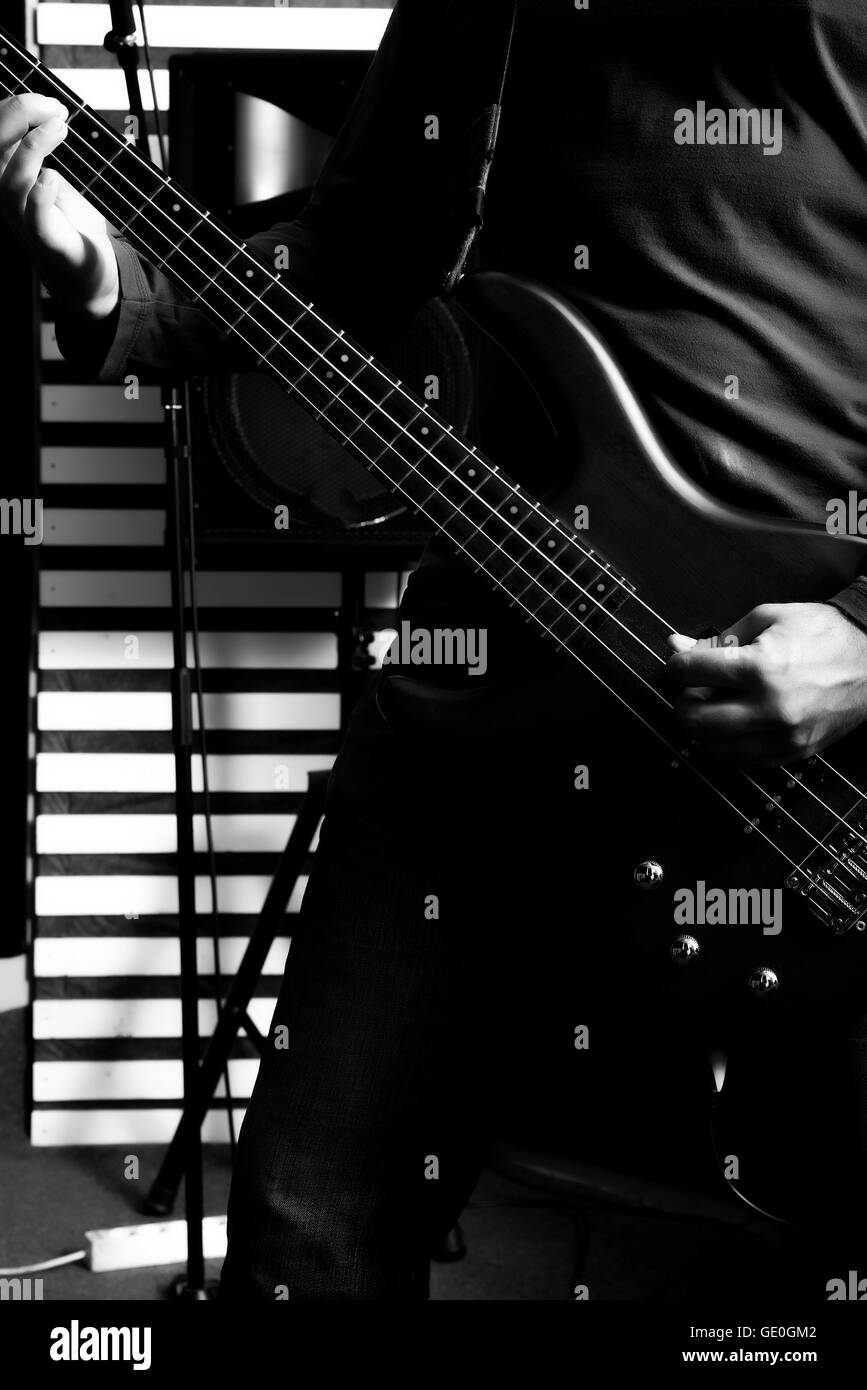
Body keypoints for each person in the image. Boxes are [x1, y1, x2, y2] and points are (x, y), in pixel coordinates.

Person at [2, 0, 867, 1299]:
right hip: (492, 668)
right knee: (310, 1232)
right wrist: (106, 271)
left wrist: (861, 644)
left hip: (813, 726)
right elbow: (345, 262)